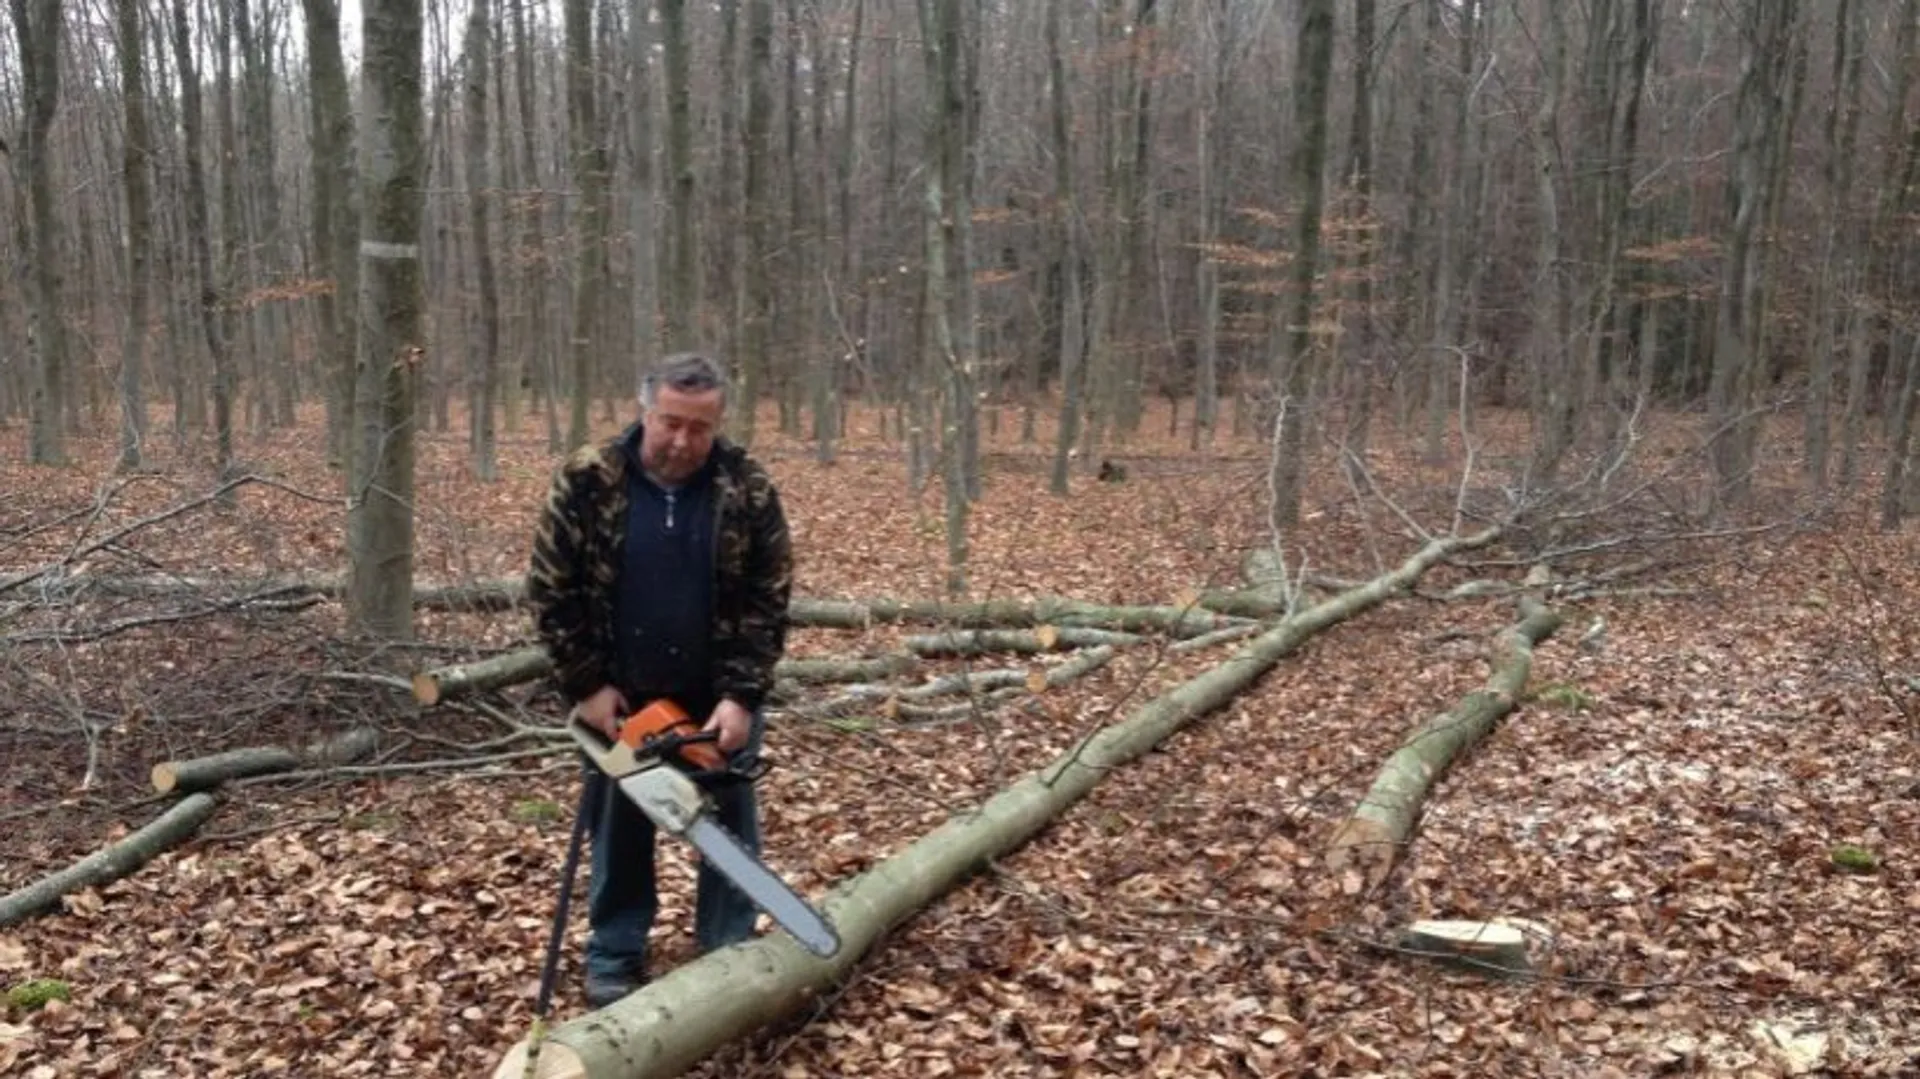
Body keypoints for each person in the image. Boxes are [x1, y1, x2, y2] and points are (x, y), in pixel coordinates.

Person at [526, 351, 793, 1009]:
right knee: (619, 826)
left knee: (728, 827)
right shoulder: (589, 479)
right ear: (645, 410)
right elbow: (549, 588)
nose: (682, 440)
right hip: (623, 694)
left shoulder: (748, 487)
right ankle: (615, 951)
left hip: (716, 694)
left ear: (718, 423)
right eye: (670, 422)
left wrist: (742, 693)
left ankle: (727, 950)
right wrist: (586, 683)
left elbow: (769, 597)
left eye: (699, 427)